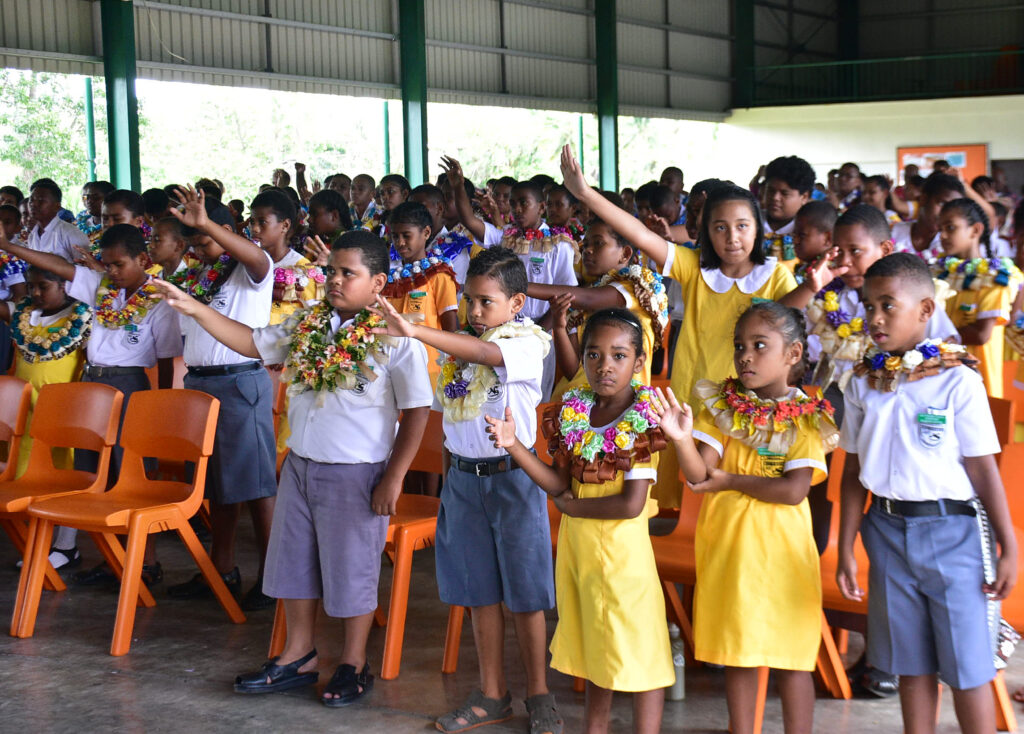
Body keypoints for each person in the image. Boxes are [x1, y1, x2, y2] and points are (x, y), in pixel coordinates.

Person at [155, 230, 431, 707]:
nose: (336, 281)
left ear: (378, 282)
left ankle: (353, 661)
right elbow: (249, 341)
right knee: (294, 565)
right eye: (331, 272)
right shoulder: (307, 324)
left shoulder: (397, 338)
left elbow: (418, 412)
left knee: (351, 572)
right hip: (301, 465)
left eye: (349, 273)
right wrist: (197, 309)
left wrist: (394, 476)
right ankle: (299, 654)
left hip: (357, 473)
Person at [560, 145, 833, 506]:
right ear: (705, 230)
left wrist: (810, 288)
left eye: (742, 226)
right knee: (682, 483)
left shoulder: (776, 277)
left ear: (757, 230)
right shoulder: (694, 269)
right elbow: (640, 235)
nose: (731, 237)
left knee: (729, 488)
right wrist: (583, 192)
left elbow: (780, 318)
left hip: (748, 401)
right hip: (690, 395)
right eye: (720, 227)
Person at [371, 247, 562, 734]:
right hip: (463, 480)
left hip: (513, 480)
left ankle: (538, 694)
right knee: (480, 593)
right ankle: (492, 693)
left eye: (486, 302)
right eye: (469, 302)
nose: (475, 313)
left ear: (517, 303)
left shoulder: (526, 343)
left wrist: (415, 329)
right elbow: (451, 388)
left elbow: (487, 354)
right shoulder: (458, 352)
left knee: (525, 594)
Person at [837, 253, 1017, 734]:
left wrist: (1009, 546)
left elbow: (983, 469)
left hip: (953, 531)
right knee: (910, 663)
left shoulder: (958, 380)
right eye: (868, 305)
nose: (874, 317)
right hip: (887, 530)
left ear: (924, 309)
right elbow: (852, 470)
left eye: (887, 306)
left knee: (967, 668)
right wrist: (847, 548)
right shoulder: (862, 382)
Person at [484, 308, 673, 734]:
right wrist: (515, 446)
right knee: (594, 651)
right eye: (593, 354)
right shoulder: (575, 411)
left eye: (619, 355)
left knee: (642, 653)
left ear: (639, 363)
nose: (604, 365)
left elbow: (629, 504)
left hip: (623, 560)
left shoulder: (643, 419)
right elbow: (557, 482)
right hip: (580, 553)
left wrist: (572, 509)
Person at [659, 300, 837, 734]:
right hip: (732, 552)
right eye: (740, 346)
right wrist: (682, 440)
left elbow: (794, 491)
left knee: (792, 659)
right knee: (737, 655)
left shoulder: (806, 419)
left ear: (793, 355)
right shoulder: (723, 406)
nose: (746, 356)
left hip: (784, 557)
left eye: (760, 345)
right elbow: (699, 475)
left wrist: (731, 481)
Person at [0, 223, 181, 577]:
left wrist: (159, 407)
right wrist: (7, 245)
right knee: (90, 473)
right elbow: (58, 267)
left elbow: (163, 360)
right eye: (107, 264)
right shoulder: (101, 287)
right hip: (92, 385)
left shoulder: (160, 301)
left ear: (143, 259)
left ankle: (146, 561)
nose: (111, 271)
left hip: (129, 386)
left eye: (118, 265)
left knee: (129, 474)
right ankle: (109, 555)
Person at [162, 186, 278, 611]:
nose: (200, 249)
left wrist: (208, 223)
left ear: (228, 232)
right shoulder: (200, 276)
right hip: (202, 386)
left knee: (258, 486)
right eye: (193, 244)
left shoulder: (250, 270)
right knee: (219, 486)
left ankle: (272, 577)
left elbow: (257, 257)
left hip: (238, 382)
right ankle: (222, 568)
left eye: (205, 240)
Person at [442, 155, 578, 397]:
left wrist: (538, 330)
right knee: (498, 390)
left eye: (523, 203)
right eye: (513, 203)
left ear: (541, 207)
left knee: (533, 393)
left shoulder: (559, 245)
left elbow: (565, 293)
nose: (516, 209)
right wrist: (458, 187)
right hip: (500, 325)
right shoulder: (507, 236)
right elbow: (470, 221)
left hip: (541, 328)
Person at [0, 265, 90, 569]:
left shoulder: (82, 319)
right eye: (31, 286)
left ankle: (66, 547)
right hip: (25, 416)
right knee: (28, 477)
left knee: (64, 477)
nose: (35, 293)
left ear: (66, 286)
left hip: (62, 415)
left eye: (43, 287)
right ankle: (37, 541)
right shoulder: (24, 314)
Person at [525, 218, 668, 392]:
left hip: (625, 404)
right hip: (578, 404)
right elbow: (573, 371)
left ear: (625, 254)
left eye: (598, 243)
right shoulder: (582, 299)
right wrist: (559, 327)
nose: (588, 250)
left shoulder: (635, 286)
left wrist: (516, 285)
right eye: (585, 245)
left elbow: (589, 299)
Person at [933, 199, 1022, 398]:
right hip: (938, 372)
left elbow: (982, 334)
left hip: (978, 377)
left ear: (975, 230)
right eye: (940, 229)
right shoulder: (938, 274)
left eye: (950, 227)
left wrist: (934, 337)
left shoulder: (994, 277)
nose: (943, 235)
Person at [382, 200, 459, 381]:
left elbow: (451, 328)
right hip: (391, 365)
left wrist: (453, 368)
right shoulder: (389, 276)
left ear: (426, 233)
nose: (400, 242)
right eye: (395, 236)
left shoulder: (438, 274)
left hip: (429, 368)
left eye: (406, 236)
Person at [248, 190, 323, 326]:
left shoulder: (303, 269)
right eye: (252, 222)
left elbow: (315, 321)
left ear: (285, 225)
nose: (255, 229)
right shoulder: (245, 264)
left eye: (262, 222)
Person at [891, 173, 965, 261]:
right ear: (923, 199)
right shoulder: (894, 232)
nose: (947, 213)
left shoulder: (951, 244)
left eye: (954, 209)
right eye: (942, 204)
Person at [761, 155, 816, 270]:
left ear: (804, 197)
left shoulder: (810, 232)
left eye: (784, 193)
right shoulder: (750, 222)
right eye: (770, 190)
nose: (775, 198)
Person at [25, 180, 89, 262]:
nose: (33, 204)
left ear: (57, 206)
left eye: (41, 201)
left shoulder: (70, 233)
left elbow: (86, 268)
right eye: (31, 200)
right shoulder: (32, 235)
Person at [790, 199, 837, 285]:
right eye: (794, 235)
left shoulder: (831, 274)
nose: (795, 241)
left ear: (828, 238)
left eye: (802, 235)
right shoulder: (804, 268)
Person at [76, 181, 113, 245]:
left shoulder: (116, 226)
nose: (89, 201)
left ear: (110, 198)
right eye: (85, 197)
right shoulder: (79, 224)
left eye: (95, 197)